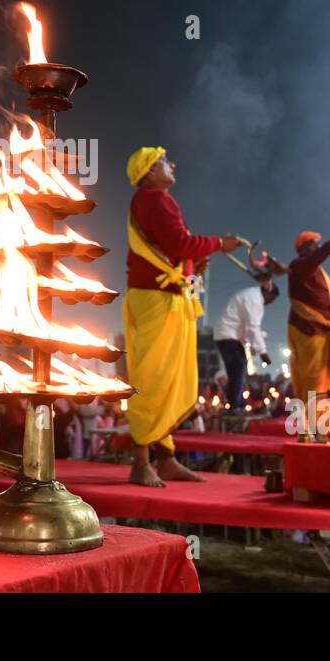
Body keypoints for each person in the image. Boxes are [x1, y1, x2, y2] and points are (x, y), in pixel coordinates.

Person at [123, 146, 242, 486]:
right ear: (148, 172)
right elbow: (179, 243)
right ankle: (141, 462)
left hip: (163, 297)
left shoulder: (150, 200)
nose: (171, 164)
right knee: (154, 379)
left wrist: (193, 265)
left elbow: (172, 252)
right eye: (163, 161)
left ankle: (167, 459)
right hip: (158, 300)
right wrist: (219, 243)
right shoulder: (155, 198)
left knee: (167, 379)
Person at [286, 229, 330, 418]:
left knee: (326, 380)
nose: (318, 247)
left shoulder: (313, 270)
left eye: (319, 243)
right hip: (310, 331)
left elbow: (317, 300)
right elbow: (315, 259)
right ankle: (312, 425)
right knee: (315, 379)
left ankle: (322, 421)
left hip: (322, 331)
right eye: (314, 244)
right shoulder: (300, 265)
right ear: (304, 248)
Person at [214, 266, 278, 410]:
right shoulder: (255, 300)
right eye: (271, 299)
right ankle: (236, 406)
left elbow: (248, 329)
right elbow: (252, 328)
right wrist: (263, 352)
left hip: (227, 335)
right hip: (228, 335)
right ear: (268, 292)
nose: (269, 303)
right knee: (238, 369)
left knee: (237, 370)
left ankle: (237, 404)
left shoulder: (250, 295)